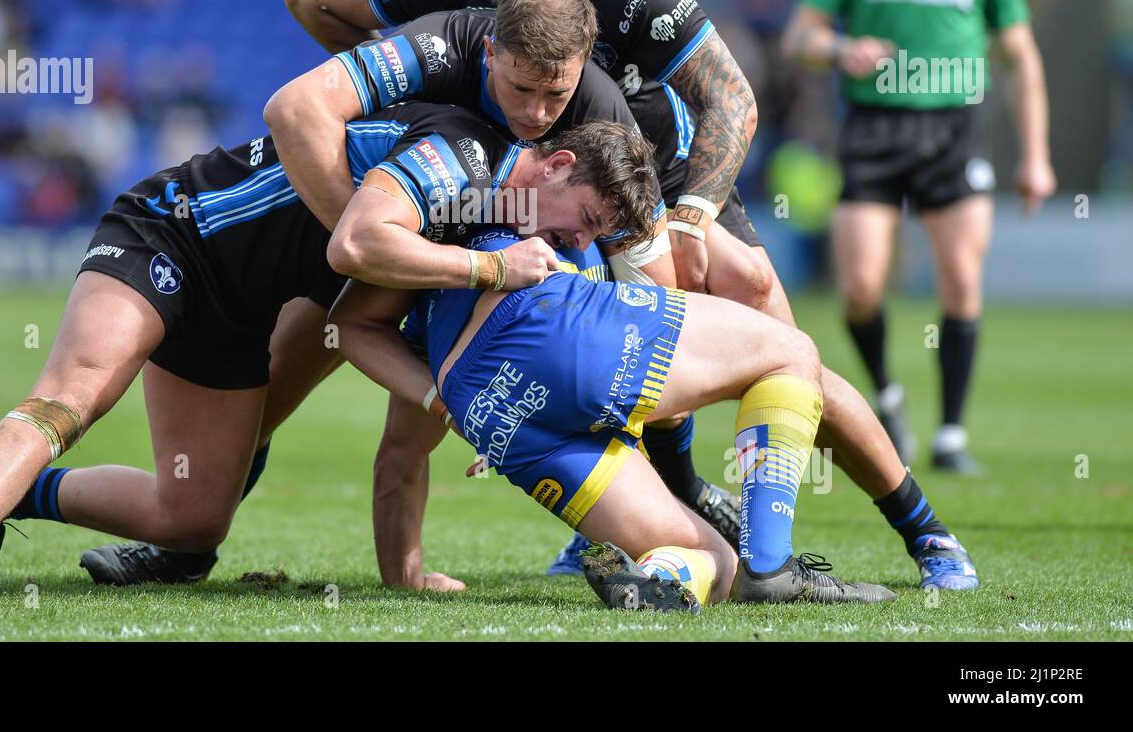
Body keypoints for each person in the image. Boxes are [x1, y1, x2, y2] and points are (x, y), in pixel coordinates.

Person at [286, 0, 979, 588]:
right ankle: (597, 532)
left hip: (660, 185)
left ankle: (926, 533)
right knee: (415, 376)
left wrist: (694, 215)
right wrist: (426, 111)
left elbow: (734, 98)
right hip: (531, 192)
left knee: (780, 346)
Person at [0, 100, 655, 603]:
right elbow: (358, 242)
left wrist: (453, 403)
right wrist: (491, 270)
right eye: (583, 219)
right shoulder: (460, 158)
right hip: (170, 231)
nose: (578, 245)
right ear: (553, 165)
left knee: (193, 517)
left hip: (236, 313)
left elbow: (356, 328)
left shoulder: (484, 225)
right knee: (74, 394)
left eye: (594, 240)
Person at [329, 226, 896, 606]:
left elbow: (397, 455)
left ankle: (661, 580)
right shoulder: (564, 143)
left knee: (713, 563)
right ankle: (772, 567)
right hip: (551, 327)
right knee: (791, 352)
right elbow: (744, 274)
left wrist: (404, 581)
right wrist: (697, 214)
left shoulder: (422, 267)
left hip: (494, 411)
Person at [781, 0, 1056, 474]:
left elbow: (1021, 57)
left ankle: (952, 434)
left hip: (955, 130)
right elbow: (799, 38)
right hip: (875, 127)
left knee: (962, 277)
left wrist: (1037, 156)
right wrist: (839, 49)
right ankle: (888, 393)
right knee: (860, 290)